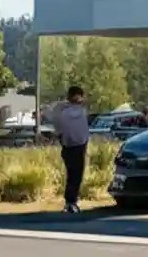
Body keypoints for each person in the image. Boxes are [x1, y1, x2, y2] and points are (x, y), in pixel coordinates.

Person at [50, 86, 90, 214]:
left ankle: (70, 201)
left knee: (72, 175)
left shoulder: (63, 112)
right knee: (76, 175)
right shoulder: (78, 112)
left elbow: (58, 126)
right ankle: (71, 201)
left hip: (68, 145)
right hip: (77, 146)